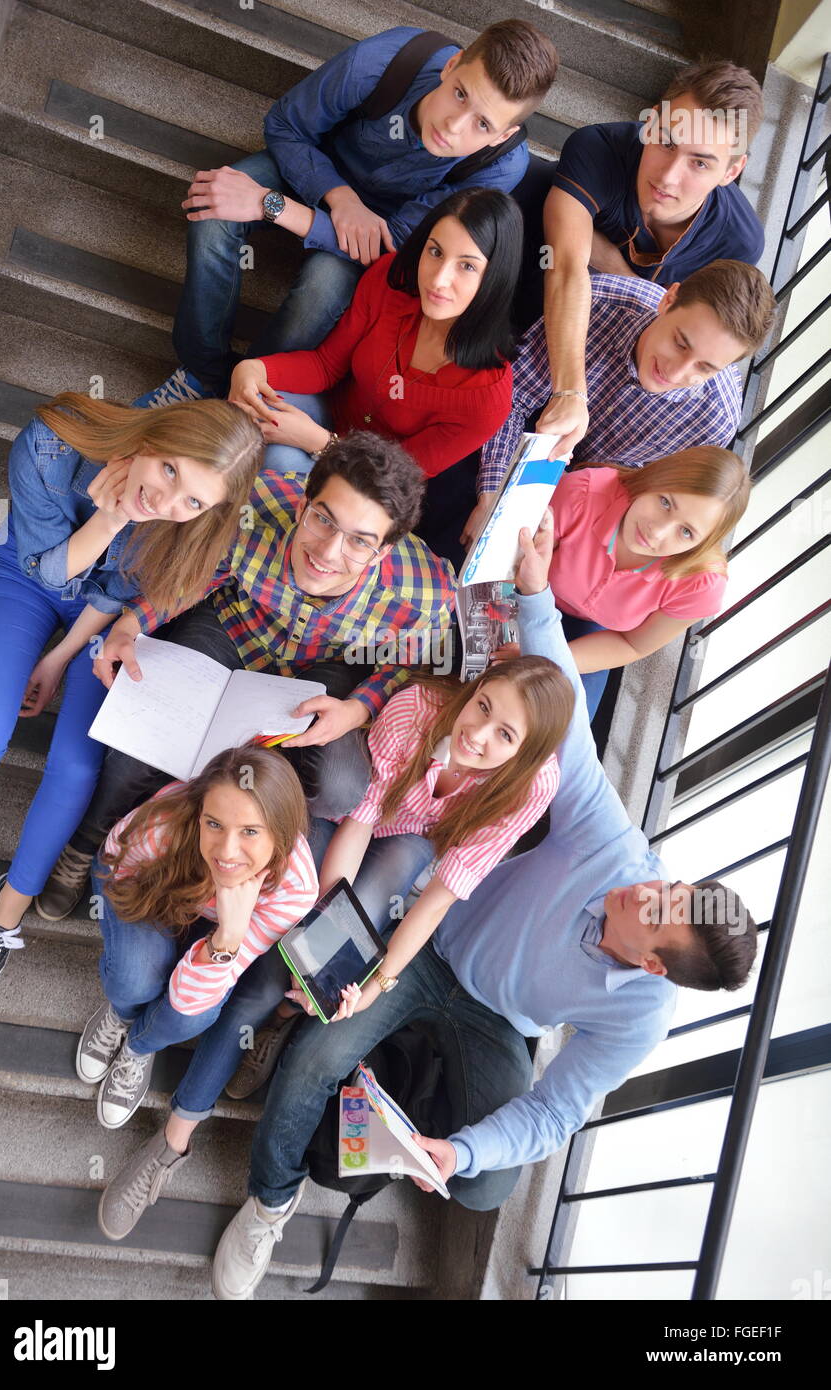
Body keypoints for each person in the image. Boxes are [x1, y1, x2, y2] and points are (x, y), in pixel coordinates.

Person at [204, 511, 757, 1301]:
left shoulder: (639, 1017)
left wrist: (457, 1155)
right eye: (671, 883)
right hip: (430, 943)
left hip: (498, 1023)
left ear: (652, 963)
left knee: (483, 1189)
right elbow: (560, 728)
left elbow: (554, 1113)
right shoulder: (619, 852)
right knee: (315, 1060)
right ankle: (268, 1203)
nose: (648, 883)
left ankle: (403, 1100)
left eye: (657, 907)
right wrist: (536, 601)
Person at [36, 433, 455, 921]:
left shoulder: (427, 590)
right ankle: (88, 840)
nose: (328, 551)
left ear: (383, 552)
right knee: (137, 748)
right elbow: (196, 576)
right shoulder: (255, 503)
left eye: (359, 541)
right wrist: (132, 623)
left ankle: (227, 836)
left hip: (323, 667)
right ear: (303, 504)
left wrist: (358, 708)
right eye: (323, 519)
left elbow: (407, 660)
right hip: (233, 626)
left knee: (341, 785)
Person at [0, 375, 262, 1002]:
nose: (171, 500)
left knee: (76, 770)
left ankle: (4, 917)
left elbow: (118, 594)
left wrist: (62, 656)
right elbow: (49, 569)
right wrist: (113, 515)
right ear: (156, 435)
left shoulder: (196, 528)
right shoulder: (52, 443)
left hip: (101, 618)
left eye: (195, 502)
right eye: (170, 470)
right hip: (27, 575)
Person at [227, 653, 573, 1097]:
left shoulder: (532, 788)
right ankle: (238, 1013)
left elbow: (438, 899)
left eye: (505, 735)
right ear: (476, 688)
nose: (478, 735)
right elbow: (360, 823)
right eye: (483, 706)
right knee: (300, 934)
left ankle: (281, 1018)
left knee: (346, 946)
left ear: (524, 755)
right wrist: (323, 929)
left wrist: (375, 987)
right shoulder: (418, 709)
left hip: (413, 835)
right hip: (361, 814)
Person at [174, 21, 558, 395]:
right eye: (460, 94)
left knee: (322, 291)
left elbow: (398, 246)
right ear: (452, 65)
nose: (455, 126)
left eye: (483, 124)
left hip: (379, 234)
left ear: (503, 135)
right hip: (312, 167)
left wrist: (267, 205)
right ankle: (202, 376)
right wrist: (340, 196)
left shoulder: (501, 165)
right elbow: (287, 126)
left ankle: (242, 395)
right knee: (214, 210)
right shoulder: (391, 58)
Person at [76, 747, 316, 1167]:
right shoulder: (163, 827)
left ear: (281, 832)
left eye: (250, 832)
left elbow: (192, 1002)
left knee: (192, 1015)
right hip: (139, 881)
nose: (227, 850)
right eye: (214, 824)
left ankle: (137, 1044)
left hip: (215, 919)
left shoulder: (294, 887)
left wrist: (228, 935)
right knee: (134, 981)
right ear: (199, 811)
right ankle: (121, 1012)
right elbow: (120, 870)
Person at [514, 60, 765, 459]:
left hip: (617, 353)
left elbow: (689, 325)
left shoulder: (738, 241)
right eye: (666, 142)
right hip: (536, 292)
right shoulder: (599, 148)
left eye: (699, 163)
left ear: (732, 170)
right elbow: (564, 267)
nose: (668, 177)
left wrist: (604, 257)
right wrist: (569, 392)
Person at [454, 259, 775, 556]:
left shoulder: (714, 422)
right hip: (517, 439)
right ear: (669, 300)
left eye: (704, 368)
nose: (677, 372)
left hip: (592, 513)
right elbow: (514, 397)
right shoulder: (598, 303)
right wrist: (494, 495)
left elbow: (645, 496)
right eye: (680, 343)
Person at [227, 188, 521, 484]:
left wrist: (320, 442)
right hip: (327, 412)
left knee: (279, 460)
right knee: (252, 412)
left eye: (467, 266)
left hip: (369, 485)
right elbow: (326, 365)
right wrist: (254, 368)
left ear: (495, 279)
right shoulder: (392, 279)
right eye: (435, 252)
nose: (439, 279)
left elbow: (397, 477)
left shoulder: (486, 397)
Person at [502, 447, 751, 720]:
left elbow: (633, 644)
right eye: (665, 502)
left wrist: (549, 658)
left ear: (701, 544)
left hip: (596, 635)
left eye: (686, 532)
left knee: (558, 728)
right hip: (526, 589)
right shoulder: (585, 492)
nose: (657, 532)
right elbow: (507, 566)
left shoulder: (701, 584)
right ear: (656, 477)